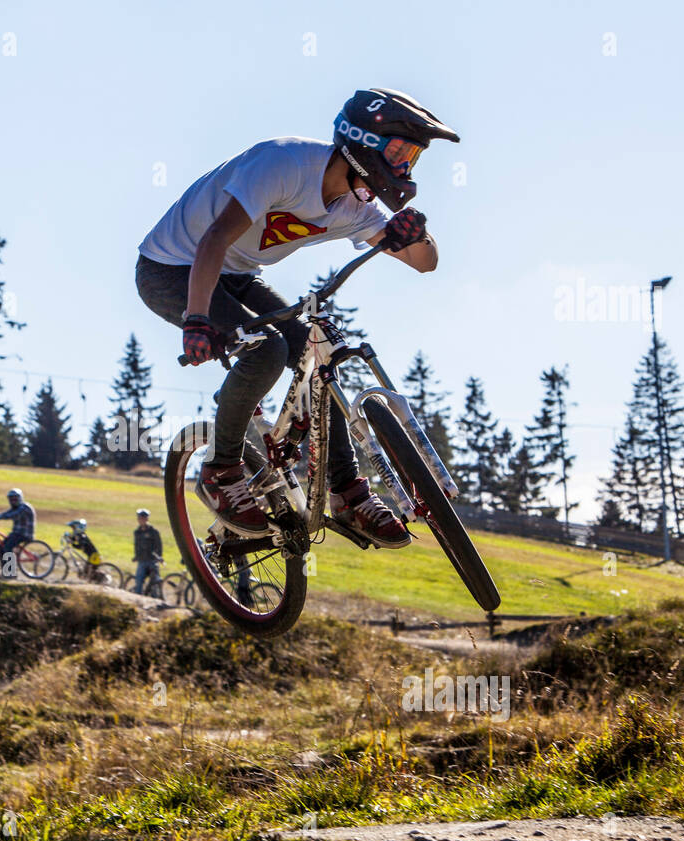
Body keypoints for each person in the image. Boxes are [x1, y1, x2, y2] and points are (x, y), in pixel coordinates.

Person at [136, 88, 459, 549]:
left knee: (314, 347)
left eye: (413, 157)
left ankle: (347, 491)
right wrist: (197, 320)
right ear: (363, 141)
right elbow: (213, 239)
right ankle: (220, 470)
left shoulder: (354, 207)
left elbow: (423, 262)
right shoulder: (283, 164)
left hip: (238, 273)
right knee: (267, 348)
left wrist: (415, 233)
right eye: (400, 152)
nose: (406, 166)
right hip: (172, 269)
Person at [0, 489, 35, 574]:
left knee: (8, 547)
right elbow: (4, 514)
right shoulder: (15, 508)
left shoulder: (24, 507)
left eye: (15, 499)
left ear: (20, 498)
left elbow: (12, 515)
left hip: (24, 534)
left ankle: (10, 573)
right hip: (16, 533)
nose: (13, 501)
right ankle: (5, 571)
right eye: (11, 499)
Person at [132, 509, 164, 594]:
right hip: (142, 561)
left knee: (155, 582)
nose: (141, 520)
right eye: (139, 518)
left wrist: (159, 556)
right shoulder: (137, 532)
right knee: (138, 581)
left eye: (143, 518)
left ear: (147, 519)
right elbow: (136, 546)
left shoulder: (153, 531)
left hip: (152, 560)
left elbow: (159, 546)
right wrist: (136, 556)